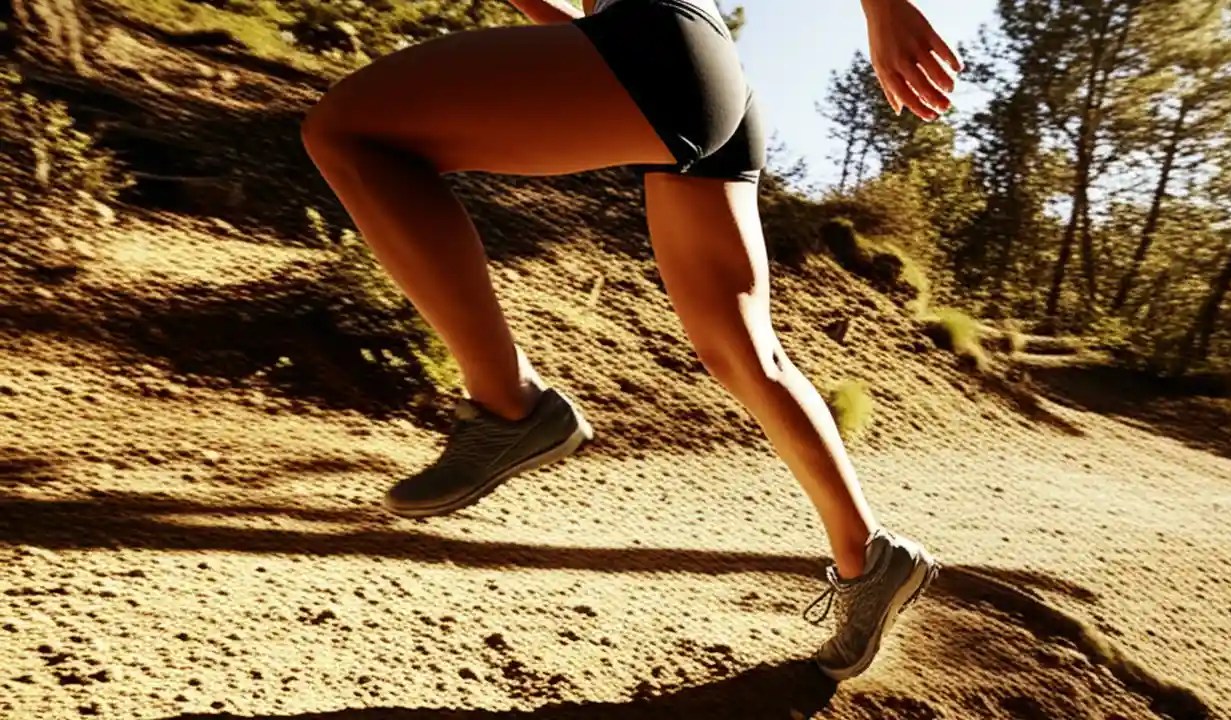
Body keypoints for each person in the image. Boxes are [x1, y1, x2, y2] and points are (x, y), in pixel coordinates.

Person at [301, 0, 962, 681]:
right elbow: (586, 29)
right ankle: (869, 557)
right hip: (696, 72)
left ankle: (507, 402)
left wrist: (885, 9)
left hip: (662, 45)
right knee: (744, 351)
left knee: (349, 130)